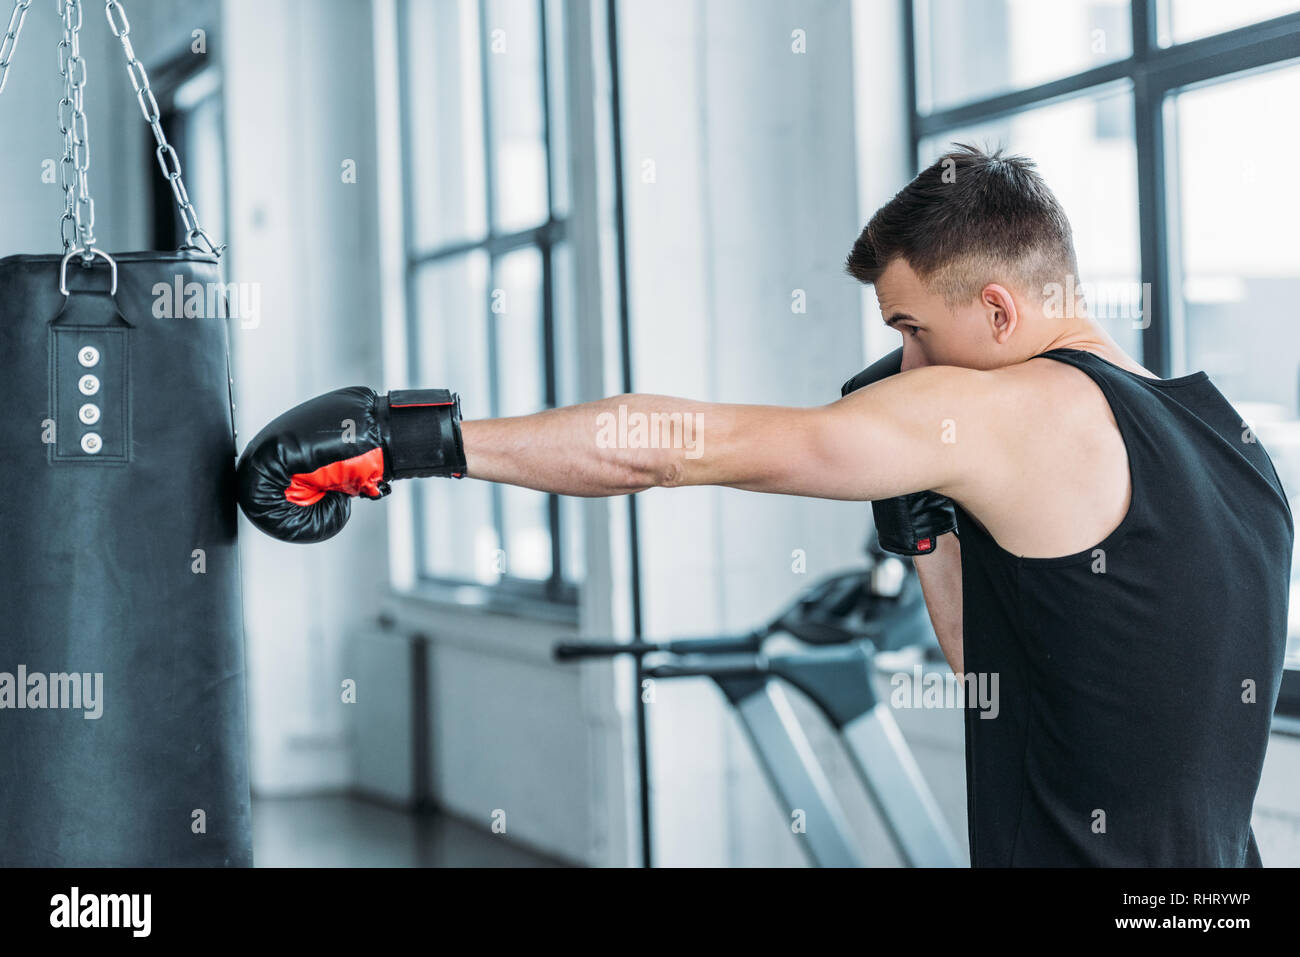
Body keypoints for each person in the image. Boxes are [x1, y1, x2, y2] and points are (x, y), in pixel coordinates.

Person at [235, 144, 1293, 867]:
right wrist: (923, 521)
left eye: (913, 328)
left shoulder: (1017, 410)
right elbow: (1003, 677)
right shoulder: (1225, 438)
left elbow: (677, 447)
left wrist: (418, 442)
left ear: (1001, 308)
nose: (904, 361)